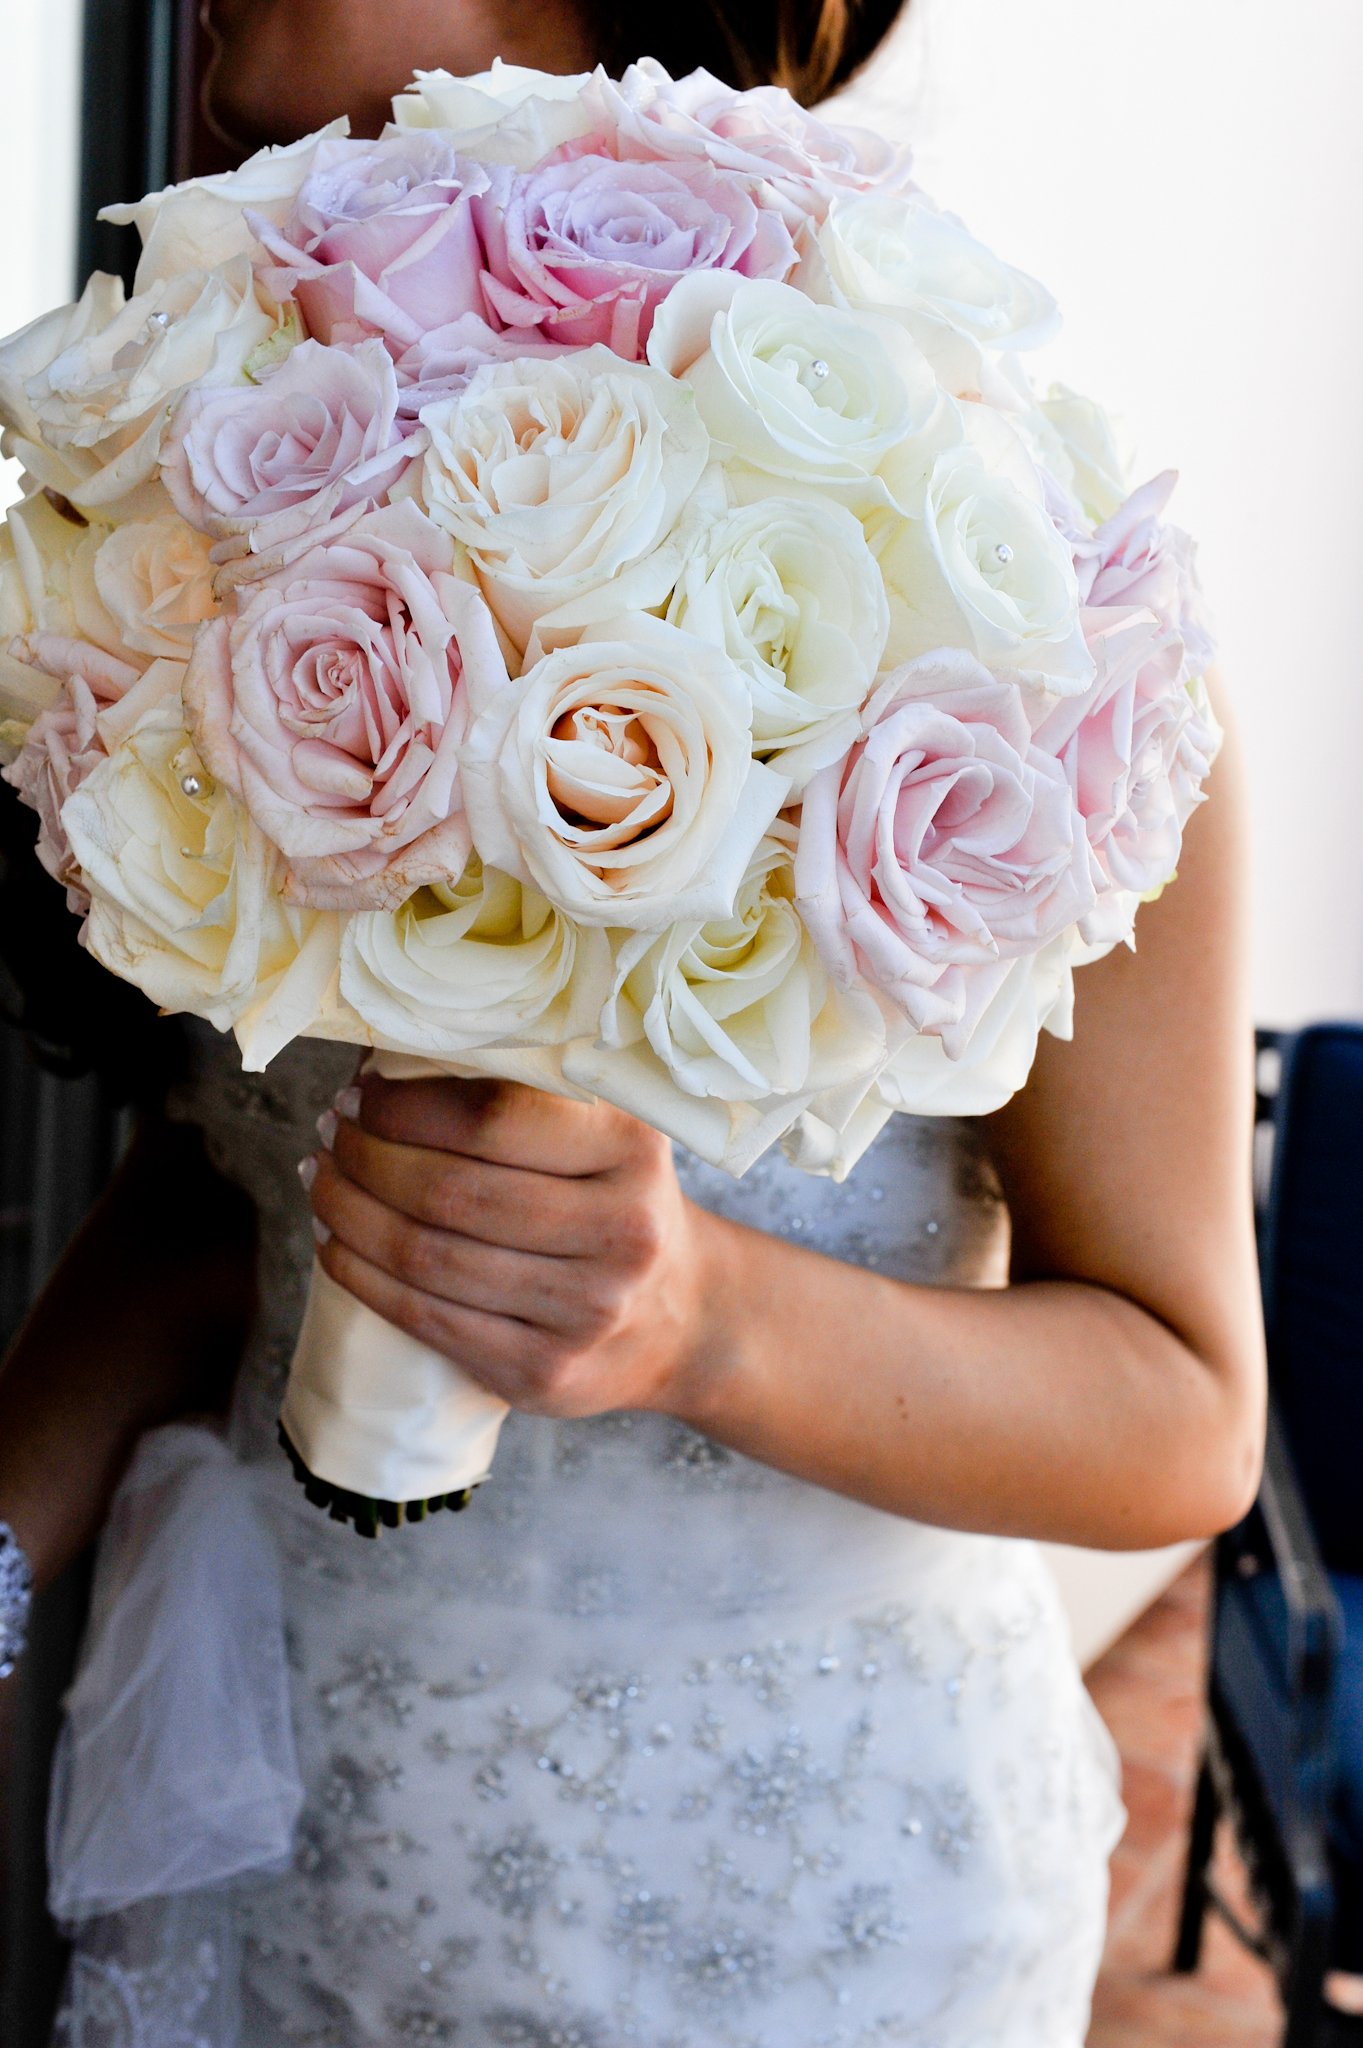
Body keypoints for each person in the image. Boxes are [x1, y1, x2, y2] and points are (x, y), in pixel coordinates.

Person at [0, 2, 1265, 2043]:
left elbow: (1184, 1411)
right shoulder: (210, 472)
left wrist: (700, 1318)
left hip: (793, 1916)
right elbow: (230, 1170)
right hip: (288, 1824)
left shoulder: (1006, 562)